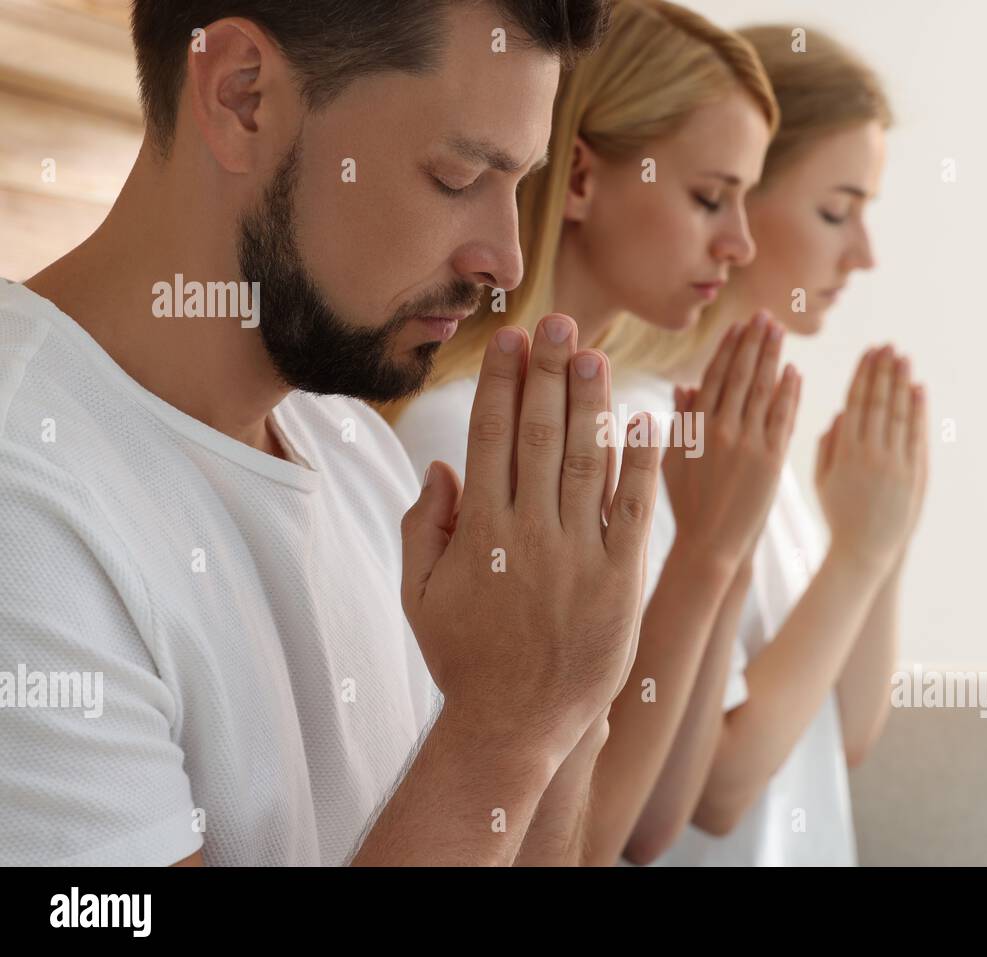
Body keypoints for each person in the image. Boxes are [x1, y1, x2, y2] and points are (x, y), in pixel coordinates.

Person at [0, 0, 663, 867]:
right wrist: (505, 724)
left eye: (520, 186)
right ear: (242, 96)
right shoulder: (25, 497)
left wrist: (565, 695)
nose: (506, 262)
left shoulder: (356, 449)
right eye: (458, 177)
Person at [391, 0, 795, 866]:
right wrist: (707, 555)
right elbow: (600, 837)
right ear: (579, 178)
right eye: (710, 197)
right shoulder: (460, 430)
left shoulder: (621, 420)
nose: (740, 244)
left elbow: (661, 815)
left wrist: (722, 550)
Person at [601, 24, 930, 866]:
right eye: (836, 211)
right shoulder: (641, 436)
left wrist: (883, 539)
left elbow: (843, 732)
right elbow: (717, 785)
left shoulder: (748, 445)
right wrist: (855, 556)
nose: (863, 254)